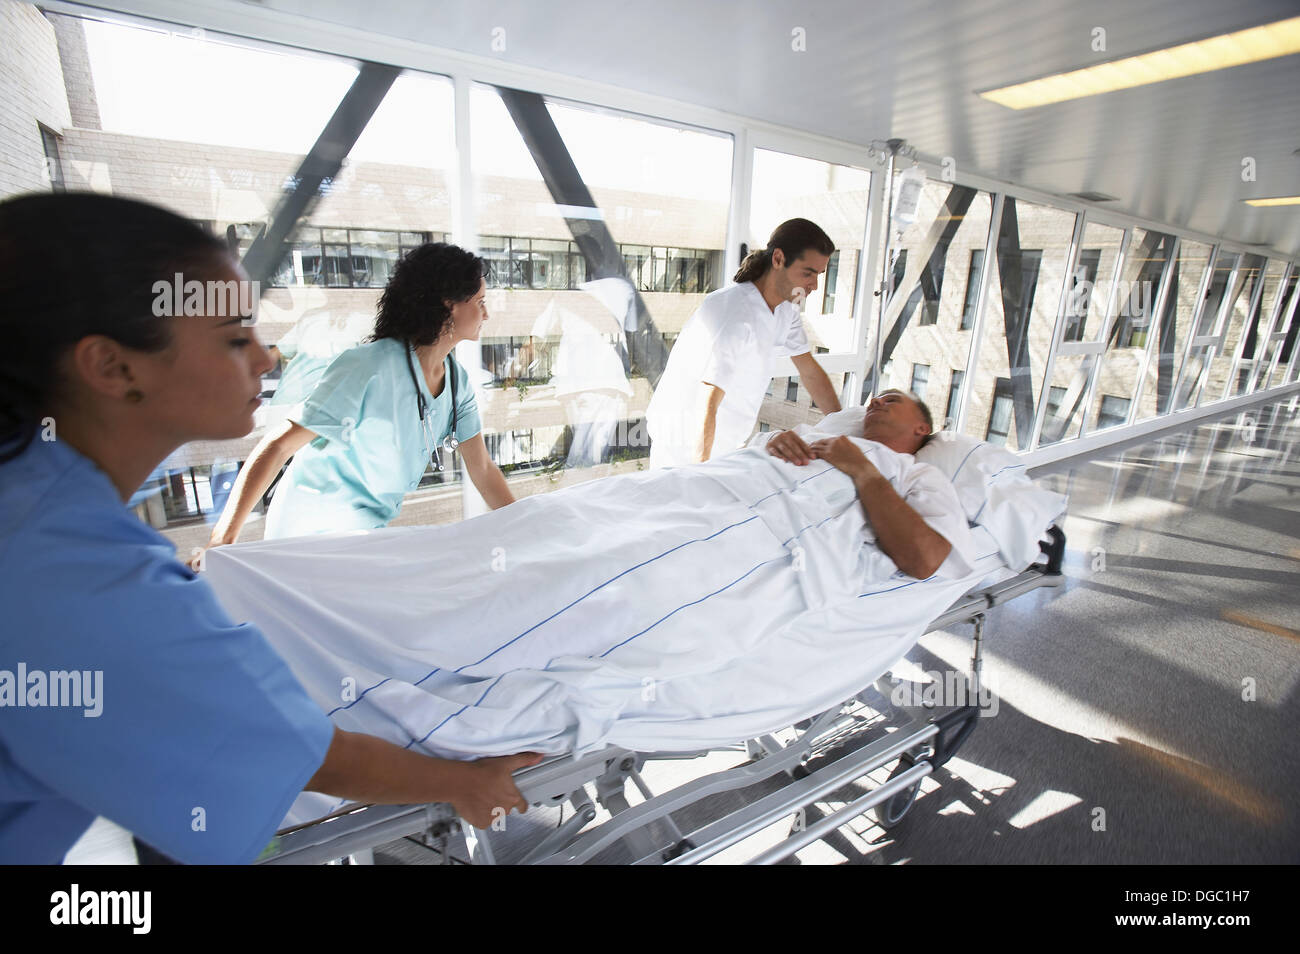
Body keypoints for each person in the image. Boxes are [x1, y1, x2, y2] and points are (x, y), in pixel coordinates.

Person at [0, 193, 539, 864]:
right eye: (233, 338)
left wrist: (534, 535)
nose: (263, 359)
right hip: (321, 532)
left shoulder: (42, 496)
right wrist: (461, 781)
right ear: (112, 366)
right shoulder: (83, 571)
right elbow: (299, 748)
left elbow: (482, 468)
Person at [199, 242, 514, 552]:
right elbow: (279, 445)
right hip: (308, 534)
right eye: (480, 301)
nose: (486, 314)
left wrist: (524, 525)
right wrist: (222, 540)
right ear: (449, 305)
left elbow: (482, 469)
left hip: (362, 537)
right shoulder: (367, 367)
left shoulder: (457, 383)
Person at [645, 218, 843, 468]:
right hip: (684, 446)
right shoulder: (733, 311)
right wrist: (698, 471)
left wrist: (842, 427)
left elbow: (809, 371)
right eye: (808, 273)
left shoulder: (787, 309)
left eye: (820, 275)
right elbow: (707, 401)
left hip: (725, 445)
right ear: (779, 259)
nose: (814, 285)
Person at [758, 388, 950, 579]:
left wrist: (862, 469)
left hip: (767, 516)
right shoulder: (821, 435)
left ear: (921, 428)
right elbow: (752, 448)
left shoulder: (915, 475)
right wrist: (774, 439)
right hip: (747, 477)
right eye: (874, 400)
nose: (874, 402)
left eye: (891, 400)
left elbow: (926, 561)